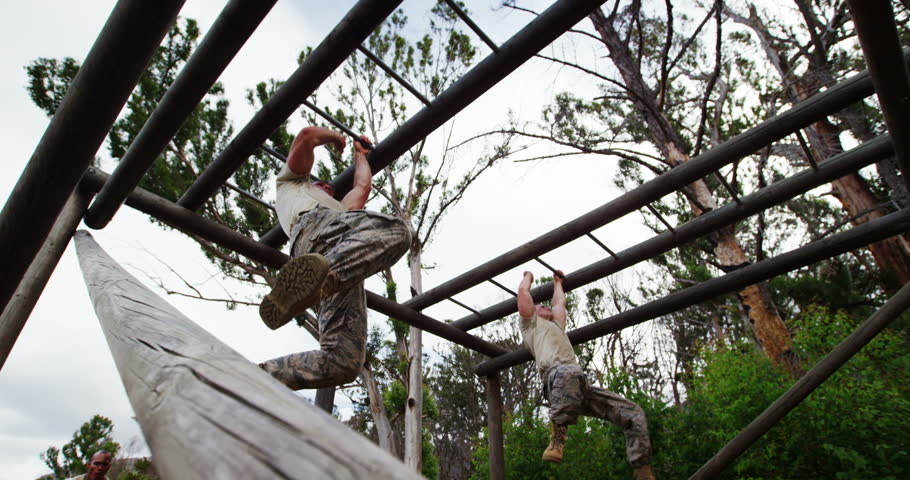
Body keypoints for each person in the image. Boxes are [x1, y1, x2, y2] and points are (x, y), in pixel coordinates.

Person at [258, 126, 410, 389]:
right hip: (314, 227)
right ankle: (322, 276)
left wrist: (359, 153)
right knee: (398, 230)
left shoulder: (340, 207)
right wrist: (336, 138)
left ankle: (251, 378)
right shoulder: (292, 184)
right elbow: (306, 137)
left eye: (331, 187)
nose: (328, 186)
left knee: (342, 363)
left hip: (333, 263)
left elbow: (362, 185)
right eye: (323, 184)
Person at [517, 270, 656, 480]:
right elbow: (522, 292)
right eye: (540, 305)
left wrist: (557, 283)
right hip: (555, 379)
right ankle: (558, 437)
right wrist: (528, 275)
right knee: (570, 372)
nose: (545, 306)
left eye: (546, 305)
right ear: (532, 311)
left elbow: (559, 304)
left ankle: (642, 467)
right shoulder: (530, 325)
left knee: (633, 412)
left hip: (578, 386)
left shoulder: (557, 325)